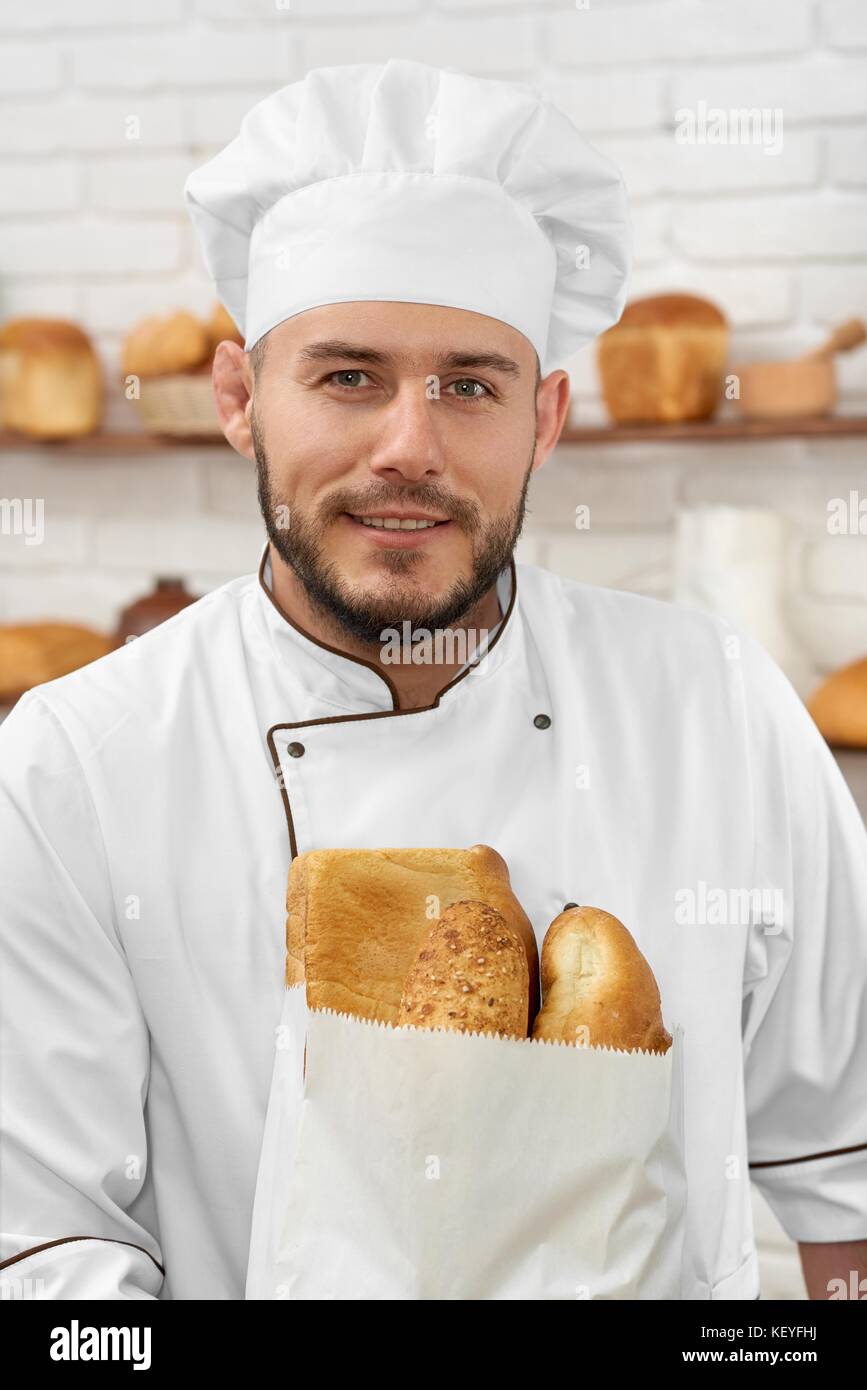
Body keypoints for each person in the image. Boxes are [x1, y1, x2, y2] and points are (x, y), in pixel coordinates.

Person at [1, 58, 865, 1301]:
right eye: (348, 376)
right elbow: (47, 1264)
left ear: (547, 419)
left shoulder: (716, 709)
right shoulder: (73, 764)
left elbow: (852, 1188)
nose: (411, 446)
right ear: (241, 399)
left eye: (470, 384)